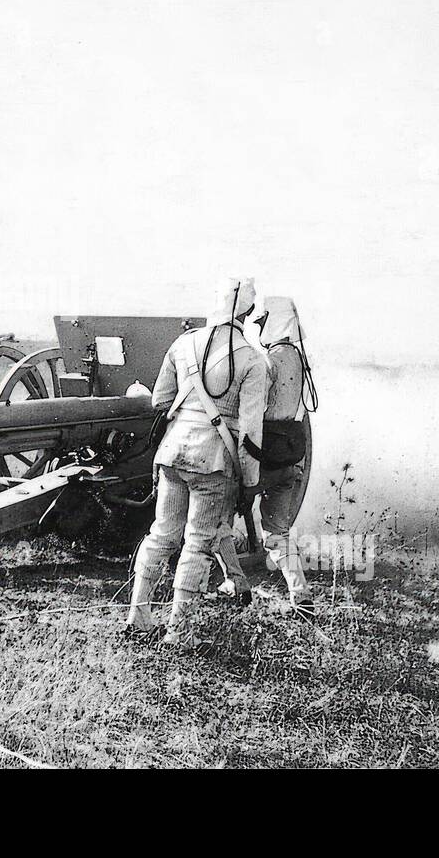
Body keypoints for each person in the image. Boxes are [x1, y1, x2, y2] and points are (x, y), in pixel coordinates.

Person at [126, 277, 268, 651]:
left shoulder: (183, 343)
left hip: (172, 454)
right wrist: (250, 483)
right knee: (197, 544)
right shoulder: (254, 360)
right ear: (249, 313)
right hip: (214, 463)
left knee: (161, 534)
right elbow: (251, 432)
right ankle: (179, 632)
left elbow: (160, 400)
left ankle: (138, 617)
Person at [251, 296, 315, 613]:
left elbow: (255, 406)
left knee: (216, 517)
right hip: (291, 451)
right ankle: (299, 591)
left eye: (263, 321)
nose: (260, 326)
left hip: (263, 452)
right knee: (278, 531)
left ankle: (232, 582)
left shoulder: (270, 360)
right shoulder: (299, 359)